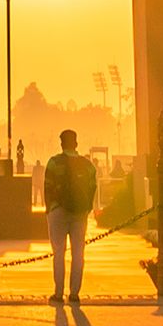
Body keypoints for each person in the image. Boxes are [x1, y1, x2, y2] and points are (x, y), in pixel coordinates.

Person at [41, 128, 96, 307]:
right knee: (78, 253)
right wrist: (86, 209)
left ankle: (58, 293)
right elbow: (92, 188)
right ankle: (74, 293)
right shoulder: (88, 165)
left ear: (61, 143)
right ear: (76, 143)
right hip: (79, 213)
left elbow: (47, 187)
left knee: (59, 253)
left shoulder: (54, 162)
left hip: (58, 211)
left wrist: (50, 209)